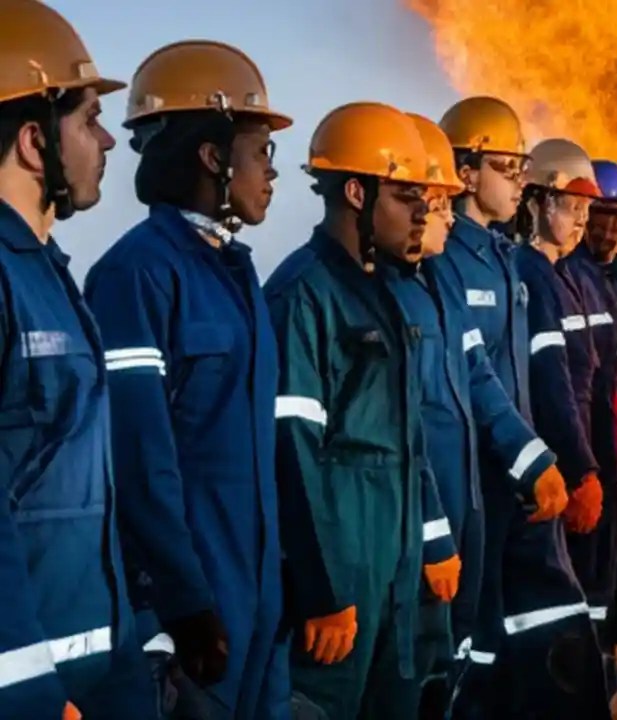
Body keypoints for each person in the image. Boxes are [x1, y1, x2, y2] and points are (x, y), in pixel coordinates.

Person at [83, 40, 293, 719]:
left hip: (258, 595)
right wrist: (186, 603)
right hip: (197, 607)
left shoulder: (237, 274)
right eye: (261, 152)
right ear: (212, 156)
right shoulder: (135, 275)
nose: (271, 174)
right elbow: (141, 460)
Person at [265, 102, 459, 719]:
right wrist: (323, 591)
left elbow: (409, 439)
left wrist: (430, 544)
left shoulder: (385, 295)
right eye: (406, 196)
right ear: (356, 191)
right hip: (343, 570)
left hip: (393, 569)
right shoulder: (303, 294)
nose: (422, 211)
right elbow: (291, 449)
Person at [0, 3, 158, 718]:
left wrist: (139, 636)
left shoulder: (53, 273)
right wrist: (28, 690)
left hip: (103, 664)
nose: (106, 140)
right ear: (35, 142)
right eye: (89, 119)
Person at [433, 96, 569, 719]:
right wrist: (527, 458)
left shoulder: (499, 256)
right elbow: (473, 379)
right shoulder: (448, 264)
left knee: (503, 637)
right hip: (475, 481)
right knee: (468, 646)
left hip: (508, 482)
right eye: (508, 166)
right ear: (466, 174)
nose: (520, 180)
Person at [508, 137, 617, 716]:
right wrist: (578, 469)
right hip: (549, 472)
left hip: (570, 460)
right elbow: (551, 385)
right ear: (538, 200)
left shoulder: (562, 274)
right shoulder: (533, 273)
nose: (580, 222)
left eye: (585, 211)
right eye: (572, 207)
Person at [561, 160, 617, 684]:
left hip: (612, 438)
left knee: (610, 556)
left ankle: (601, 659)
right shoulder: (575, 277)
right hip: (586, 438)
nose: (608, 228)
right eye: (598, 215)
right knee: (583, 559)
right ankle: (583, 670)